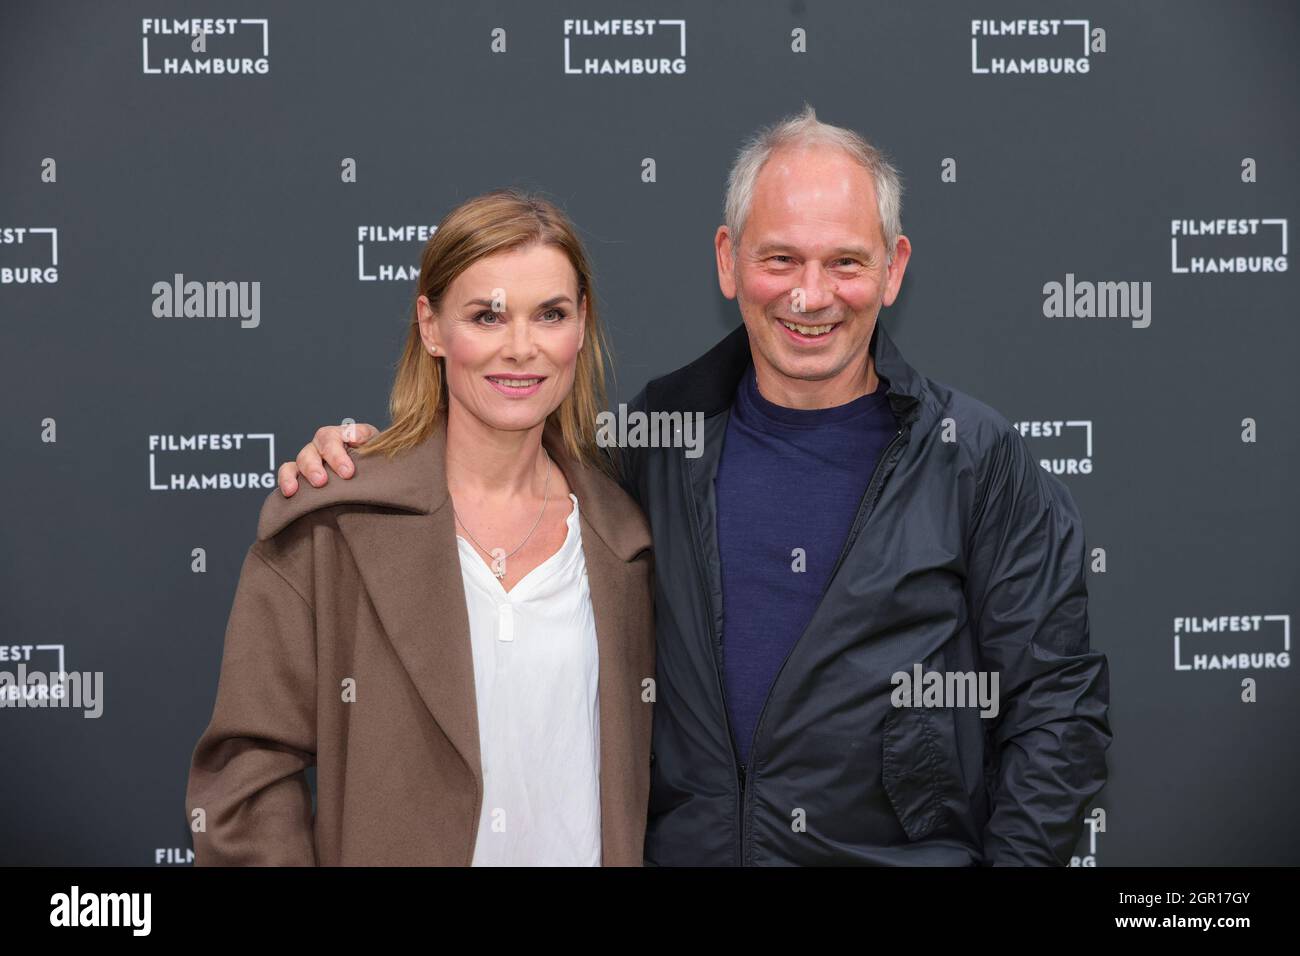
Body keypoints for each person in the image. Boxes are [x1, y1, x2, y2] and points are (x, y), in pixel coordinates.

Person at [277, 105, 1112, 866]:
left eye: (844, 263)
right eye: (779, 258)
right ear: (728, 261)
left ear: (893, 270)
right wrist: (370, 462)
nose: (810, 295)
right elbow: (495, 478)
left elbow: (1058, 708)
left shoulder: (974, 458)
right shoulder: (654, 440)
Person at [186, 189, 655, 866]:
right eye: (487, 316)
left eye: (549, 314)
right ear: (432, 328)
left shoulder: (630, 542)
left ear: (580, 327)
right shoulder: (334, 524)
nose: (521, 348)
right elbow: (244, 780)